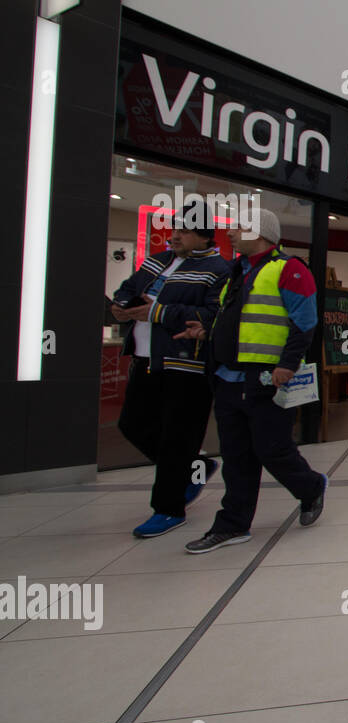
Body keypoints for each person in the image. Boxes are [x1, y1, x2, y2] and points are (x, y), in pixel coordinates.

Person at [182, 209, 328, 554]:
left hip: (266, 378)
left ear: (261, 232)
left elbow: (305, 322)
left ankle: (311, 488)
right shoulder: (237, 271)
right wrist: (209, 333)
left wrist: (287, 364)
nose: (231, 233)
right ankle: (232, 524)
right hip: (228, 377)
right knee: (236, 456)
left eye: (240, 227)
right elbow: (238, 320)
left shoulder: (289, 269)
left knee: (273, 449)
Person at [111, 203, 229, 538]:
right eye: (175, 228)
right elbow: (129, 289)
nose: (175, 235)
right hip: (147, 359)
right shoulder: (158, 261)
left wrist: (157, 312)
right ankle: (195, 468)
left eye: (185, 230)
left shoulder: (218, 269)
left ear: (204, 235)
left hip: (187, 364)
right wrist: (121, 306)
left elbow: (211, 315)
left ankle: (168, 508)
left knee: (178, 436)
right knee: (132, 424)